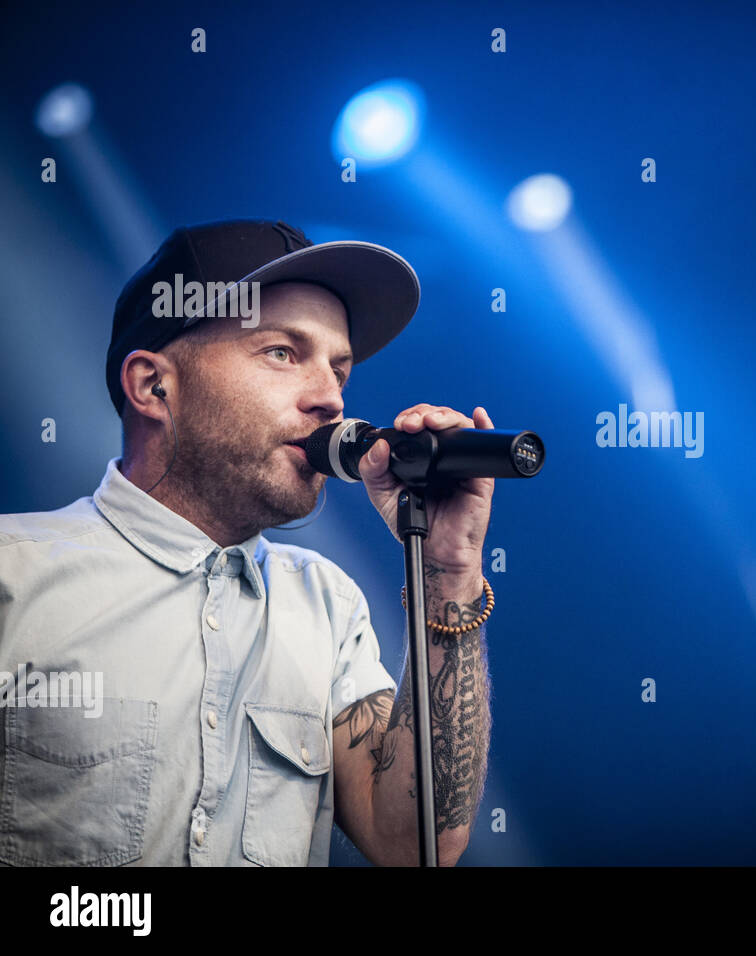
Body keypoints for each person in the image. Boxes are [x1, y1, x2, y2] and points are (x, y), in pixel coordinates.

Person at [0, 218, 494, 866]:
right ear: (153, 385)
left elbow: (414, 840)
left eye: (339, 369)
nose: (330, 400)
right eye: (283, 353)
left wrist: (449, 571)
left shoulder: (326, 603)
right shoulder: (16, 573)